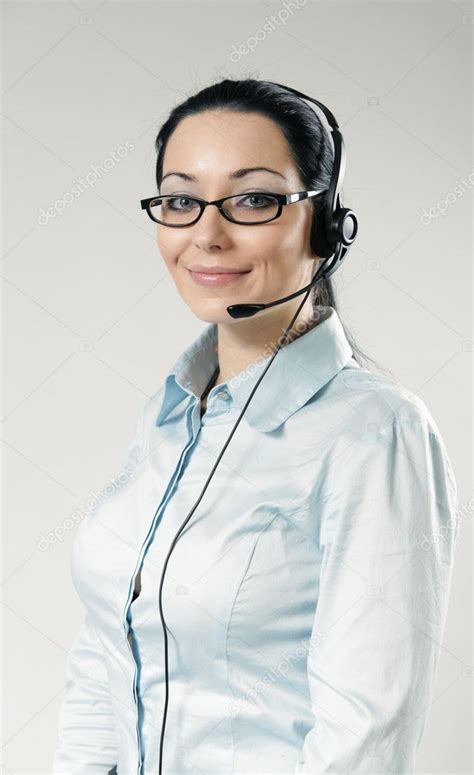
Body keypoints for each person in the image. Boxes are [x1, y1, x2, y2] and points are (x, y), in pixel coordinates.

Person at [52, 78, 459, 774]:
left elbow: (366, 738)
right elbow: (106, 657)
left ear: (327, 224)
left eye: (253, 198)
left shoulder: (374, 431)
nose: (207, 234)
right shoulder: (171, 412)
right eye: (181, 200)